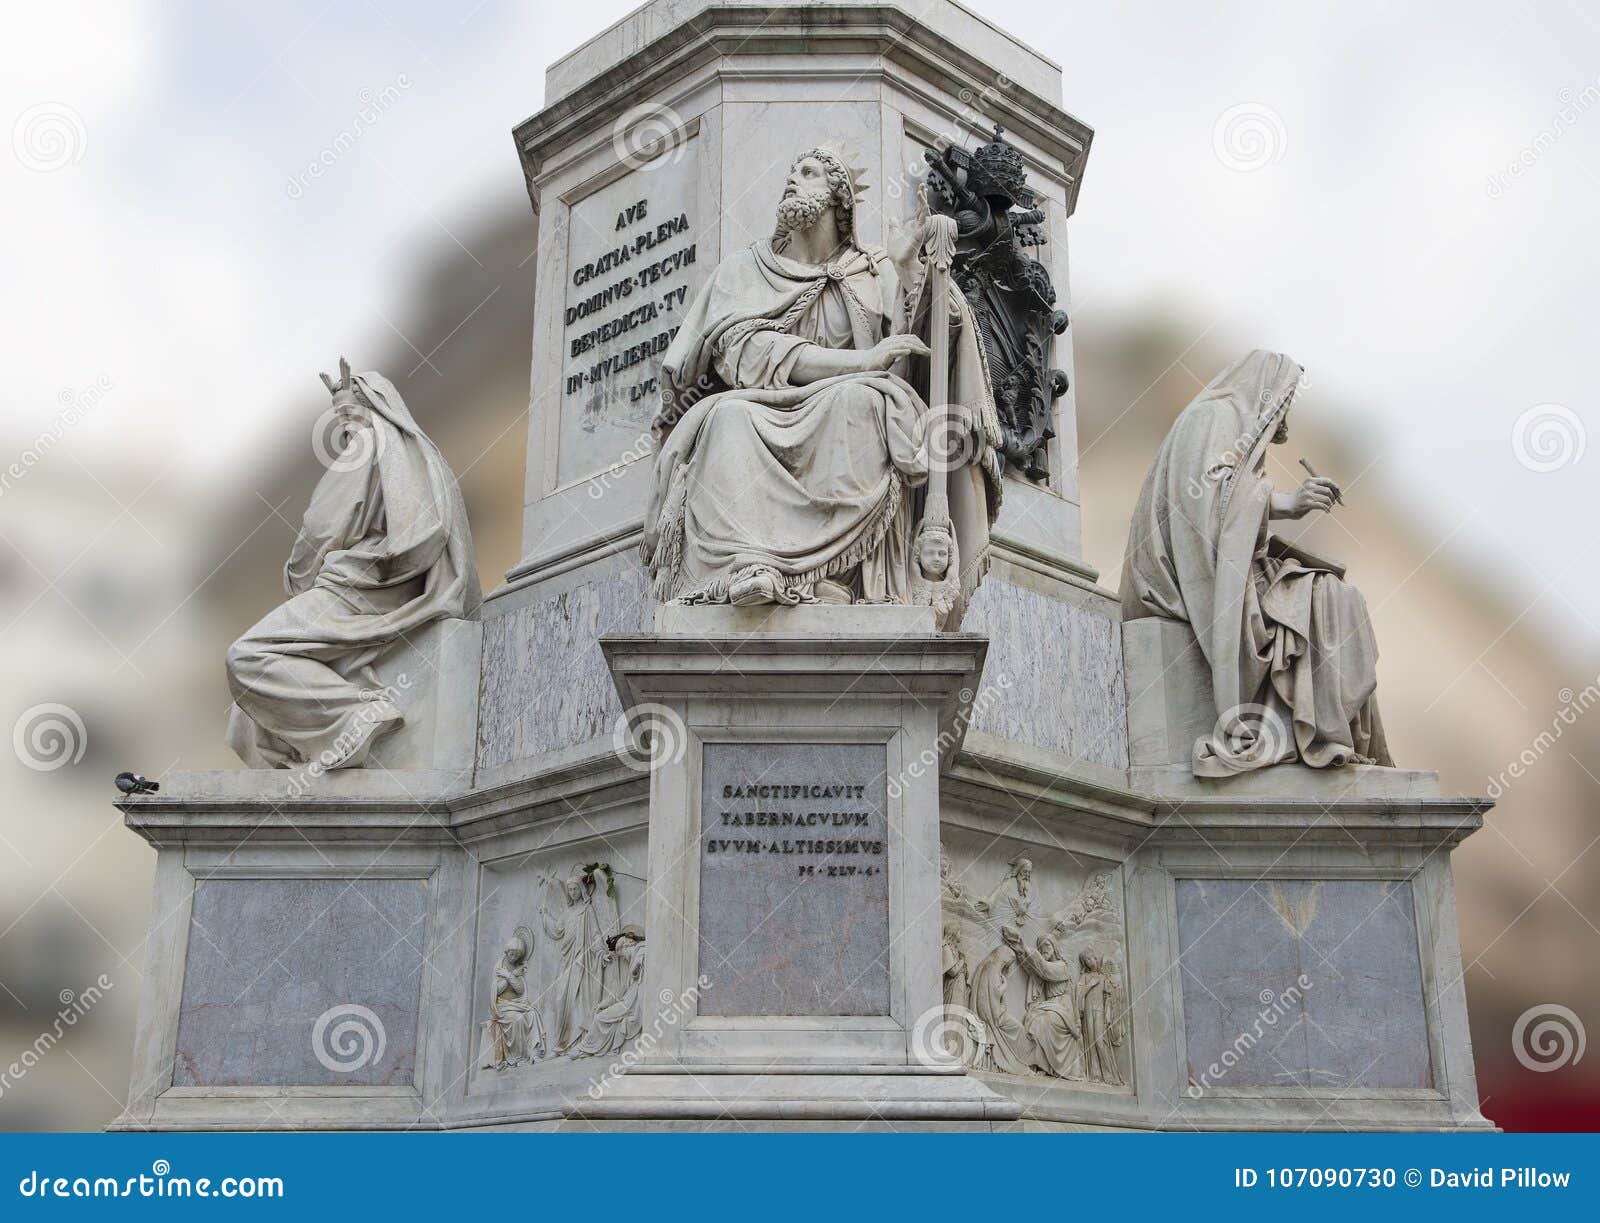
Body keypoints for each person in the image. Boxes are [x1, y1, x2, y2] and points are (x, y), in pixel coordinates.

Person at [642, 145, 1001, 624]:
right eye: (791, 171)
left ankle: (834, 574)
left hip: (847, 402)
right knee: (727, 416)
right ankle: (748, 566)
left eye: (808, 172)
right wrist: (861, 359)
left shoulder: (872, 271)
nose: (792, 179)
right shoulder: (745, 271)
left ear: (839, 198)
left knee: (862, 400)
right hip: (761, 400)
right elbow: (742, 356)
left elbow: (931, 341)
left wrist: (912, 268)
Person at [1120, 350, 1392, 776]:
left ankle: (1326, 732)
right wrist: (1289, 502)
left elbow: (1227, 509)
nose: (1284, 418)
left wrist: (1280, 513)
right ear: (1265, 389)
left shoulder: (1230, 425)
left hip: (1227, 566)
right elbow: (1200, 511)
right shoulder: (1212, 418)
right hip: (1182, 579)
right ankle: (1314, 733)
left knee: (1338, 598)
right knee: (1327, 602)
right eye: (1285, 401)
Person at [225, 367, 479, 769]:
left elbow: (322, 528)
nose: (345, 427)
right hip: (406, 587)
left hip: (359, 587)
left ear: (374, 408)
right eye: (339, 417)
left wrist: (299, 576)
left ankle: (355, 714)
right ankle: (305, 752)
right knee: (246, 710)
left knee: (248, 655)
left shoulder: (366, 447)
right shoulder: (424, 454)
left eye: (349, 414)